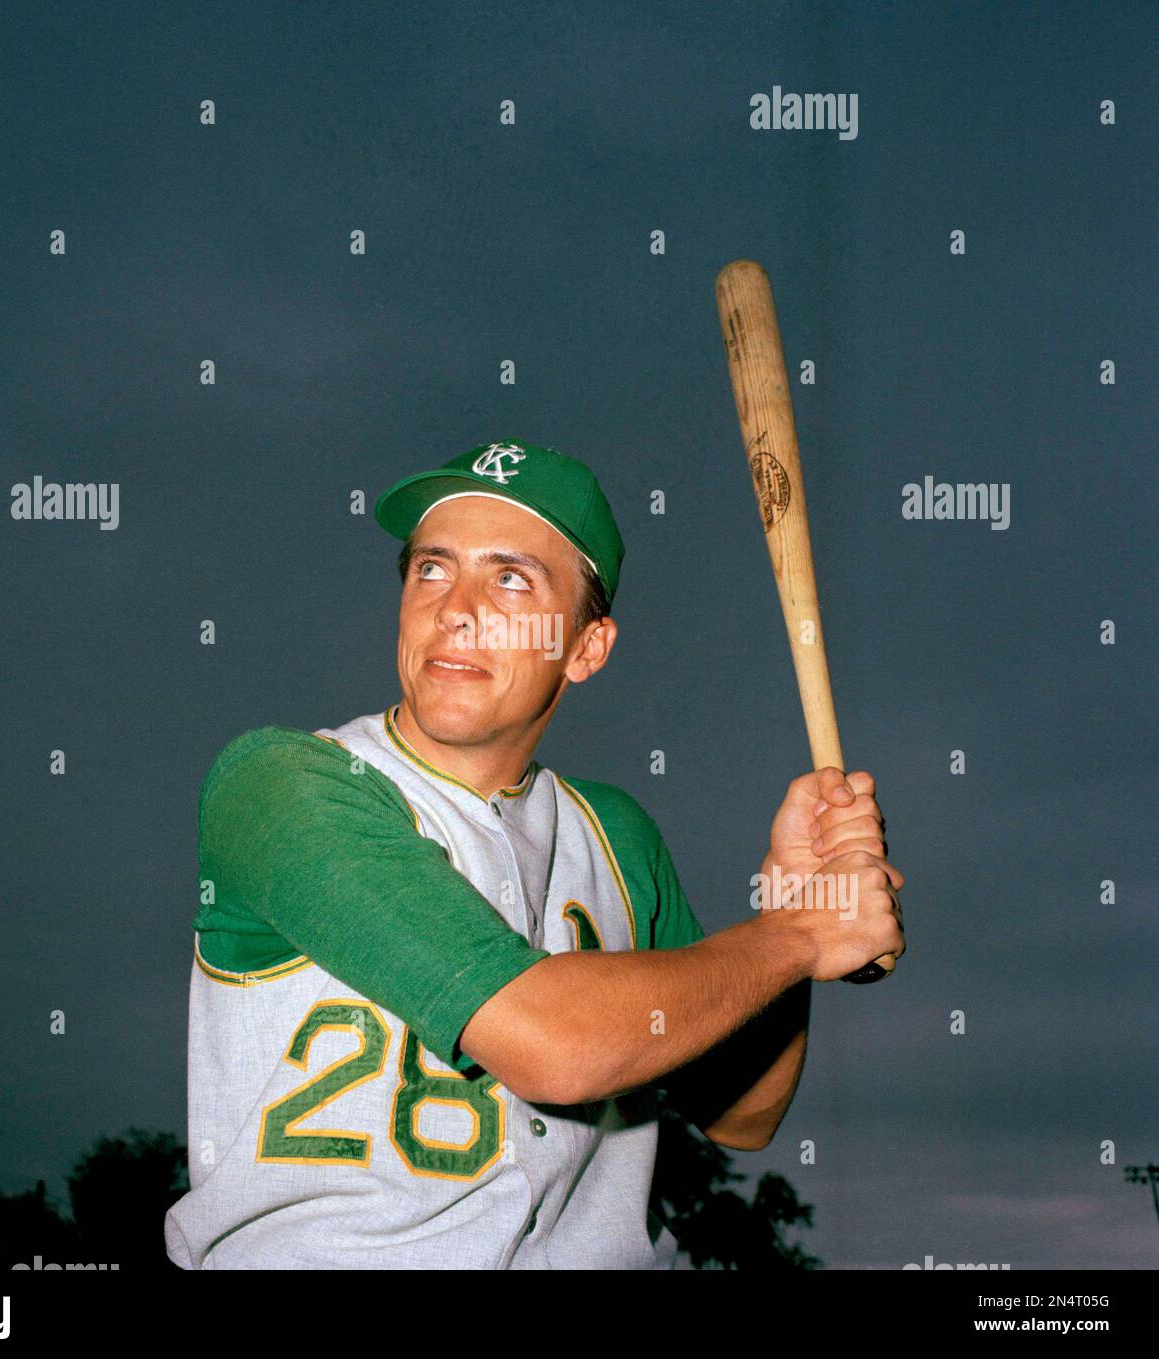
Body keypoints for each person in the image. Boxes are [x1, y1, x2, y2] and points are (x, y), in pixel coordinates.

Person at [164, 438, 904, 1269]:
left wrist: (791, 913)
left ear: (587, 648)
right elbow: (549, 1041)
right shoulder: (284, 783)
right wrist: (800, 936)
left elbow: (744, 1114)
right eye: (432, 569)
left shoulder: (617, 836)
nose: (457, 607)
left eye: (511, 577)